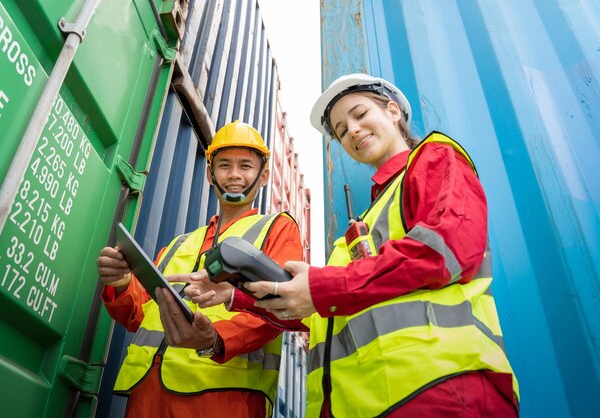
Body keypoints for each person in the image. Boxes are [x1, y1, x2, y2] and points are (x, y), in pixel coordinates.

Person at [226, 73, 519, 417]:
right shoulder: (364, 223)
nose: (351, 130)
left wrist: (323, 287)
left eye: (359, 114)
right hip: (366, 404)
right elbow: (329, 314)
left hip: (439, 390)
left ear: (393, 111)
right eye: (340, 130)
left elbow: (445, 251)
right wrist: (236, 297)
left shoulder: (434, 158)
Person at [96, 120, 303, 418]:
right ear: (210, 173)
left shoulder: (277, 229)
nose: (234, 175)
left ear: (264, 175)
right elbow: (141, 315)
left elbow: (283, 309)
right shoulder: (179, 244)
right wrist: (121, 282)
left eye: (245, 165)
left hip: (224, 397)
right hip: (147, 393)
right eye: (224, 165)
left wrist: (215, 339)